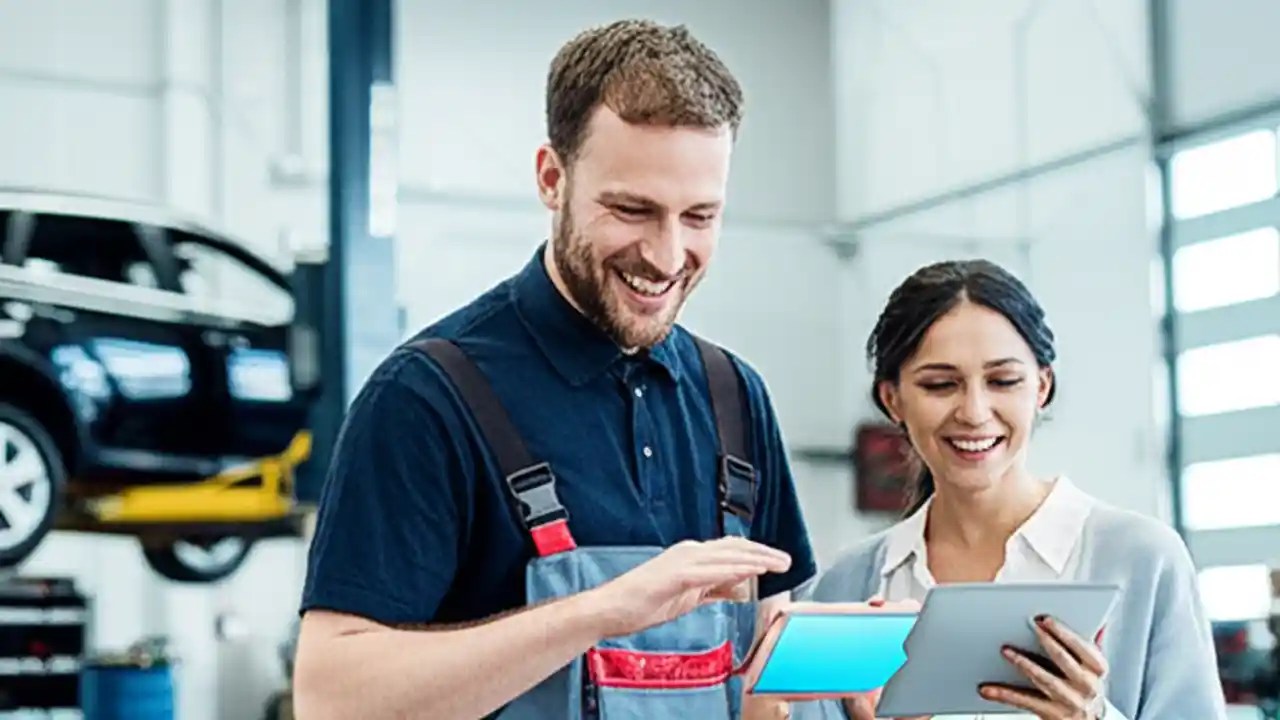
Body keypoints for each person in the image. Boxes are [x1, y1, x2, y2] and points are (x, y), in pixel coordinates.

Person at [291, 18, 818, 720]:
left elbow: (763, 689)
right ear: (552, 177)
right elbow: (332, 699)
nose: (666, 255)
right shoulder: (428, 399)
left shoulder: (735, 398)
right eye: (632, 209)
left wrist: (854, 680)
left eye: (700, 216)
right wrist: (598, 613)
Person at [789, 259, 1227, 720]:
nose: (975, 412)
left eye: (1003, 381)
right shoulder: (846, 587)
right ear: (892, 399)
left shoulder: (1143, 561)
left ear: (1042, 386)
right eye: (940, 385)